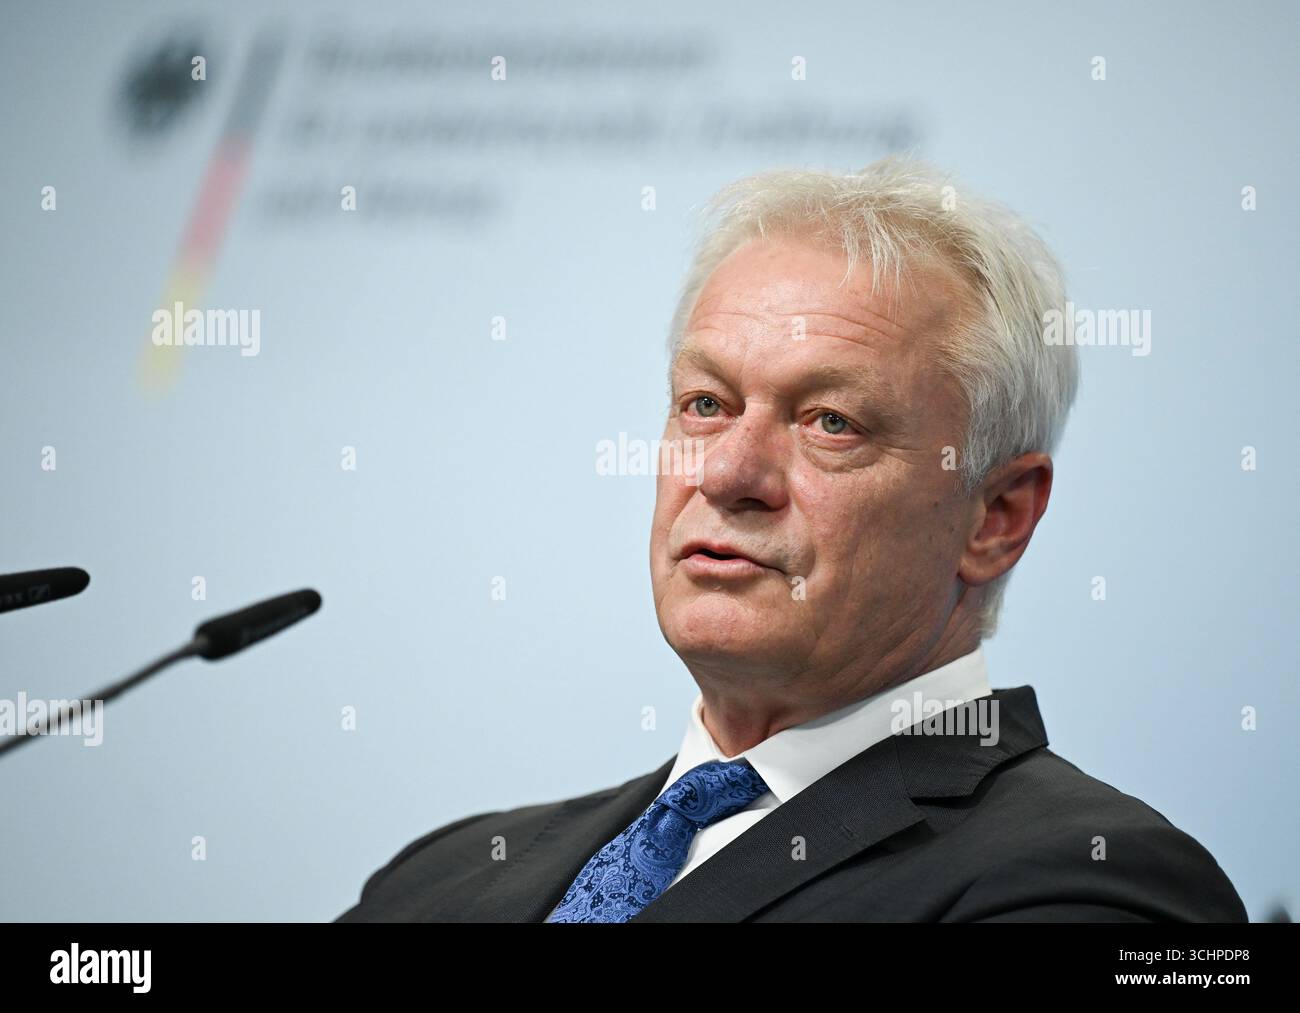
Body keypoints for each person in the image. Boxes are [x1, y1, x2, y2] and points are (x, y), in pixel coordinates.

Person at [335, 157, 1247, 923]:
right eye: (706, 404)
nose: (729, 473)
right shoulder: (435, 882)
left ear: (995, 515)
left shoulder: (1098, 885)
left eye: (831, 422)